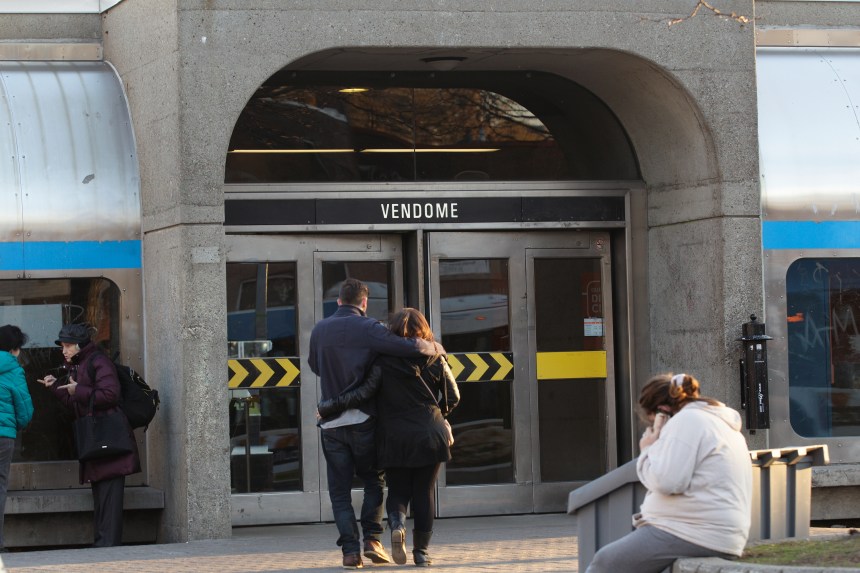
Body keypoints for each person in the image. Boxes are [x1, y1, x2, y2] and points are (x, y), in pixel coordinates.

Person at [309, 279, 444, 569]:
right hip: (364, 421)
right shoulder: (370, 328)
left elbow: (315, 366)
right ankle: (372, 539)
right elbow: (406, 347)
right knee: (373, 480)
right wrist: (435, 346)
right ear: (365, 302)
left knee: (339, 492)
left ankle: (350, 553)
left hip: (331, 425)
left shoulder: (319, 330)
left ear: (339, 302)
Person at [586, 372, 752, 573]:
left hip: (693, 532)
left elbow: (667, 482)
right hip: (711, 530)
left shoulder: (686, 421)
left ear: (662, 413)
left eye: (651, 421)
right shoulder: (714, 420)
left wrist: (648, 449)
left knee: (605, 562)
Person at [36, 324, 140, 547]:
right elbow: (77, 402)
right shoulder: (79, 365)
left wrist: (78, 391)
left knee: (109, 499)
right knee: (101, 497)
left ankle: (107, 547)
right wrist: (56, 387)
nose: (64, 350)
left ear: (80, 345)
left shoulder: (98, 362)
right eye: (62, 346)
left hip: (108, 439)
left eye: (68, 346)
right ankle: (102, 545)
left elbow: (110, 395)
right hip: (97, 440)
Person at [0, 325, 34, 552]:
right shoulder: (14, 370)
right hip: (3, 437)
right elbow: (24, 411)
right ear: (14, 348)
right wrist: (16, 426)